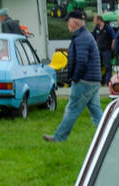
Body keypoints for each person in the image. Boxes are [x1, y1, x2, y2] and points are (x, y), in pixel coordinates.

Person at [45, 10, 103, 141]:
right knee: (96, 112)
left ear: (73, 22)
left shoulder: (81, 38)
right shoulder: (84, 36)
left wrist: (75, 78)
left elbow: (82, 62)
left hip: (84, 81)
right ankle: (109, 134)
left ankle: (58, 138)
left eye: (68, 22)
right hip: (93, 81)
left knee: (71, 110)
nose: (67, 24)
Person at [93, 12, 114, 80]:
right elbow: (93, 38)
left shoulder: (108, 27)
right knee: (97, 66)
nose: (94, 22)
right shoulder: (96, 28)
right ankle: (99, 80)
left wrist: (112, 47)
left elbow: (114, 37)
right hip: (98, 50)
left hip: (106, 50)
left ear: (99, 20)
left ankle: (108, 81)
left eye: (95, 20)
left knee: (108, 67)